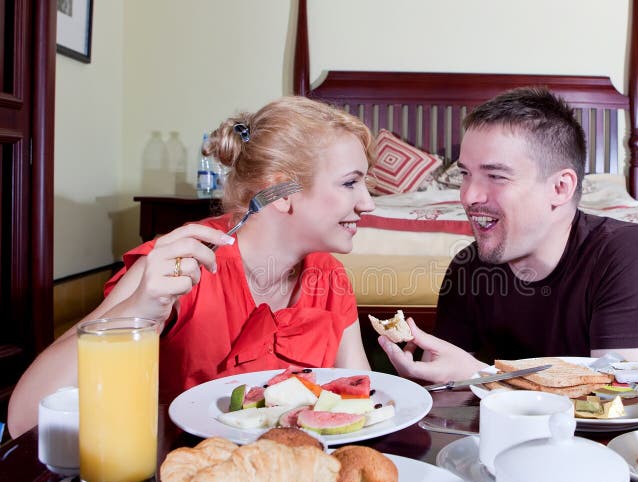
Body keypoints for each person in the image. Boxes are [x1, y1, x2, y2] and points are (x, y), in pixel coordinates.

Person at [8, 96, 375, 437]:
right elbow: (25, 420)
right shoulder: (178, 266)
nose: (368, 203)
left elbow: (362, 408)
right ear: (281, 192)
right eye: (350, 183)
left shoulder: (330, 276)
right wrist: (139, 309)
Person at [379, 87, 638, 386]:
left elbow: (625, 399)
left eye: (496, 176)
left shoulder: (632, 255)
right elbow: (448, 391)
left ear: (560, 187)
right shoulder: (469, 267)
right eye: (465, 174)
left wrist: (481, 376)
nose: (468, 195)